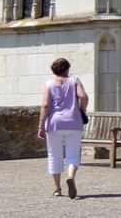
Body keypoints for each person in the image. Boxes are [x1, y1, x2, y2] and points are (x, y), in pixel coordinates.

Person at [38, 57, 89, 199]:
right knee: (73, 154)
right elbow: (83, 97)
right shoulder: (75, 80)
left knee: (54, 156)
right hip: (73, 121)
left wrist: (40, 126)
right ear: (67, 68)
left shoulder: (49, 84)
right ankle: (71, 177)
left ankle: (57, 188)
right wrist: (82, 110)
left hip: (54, 123)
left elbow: (45, 106)